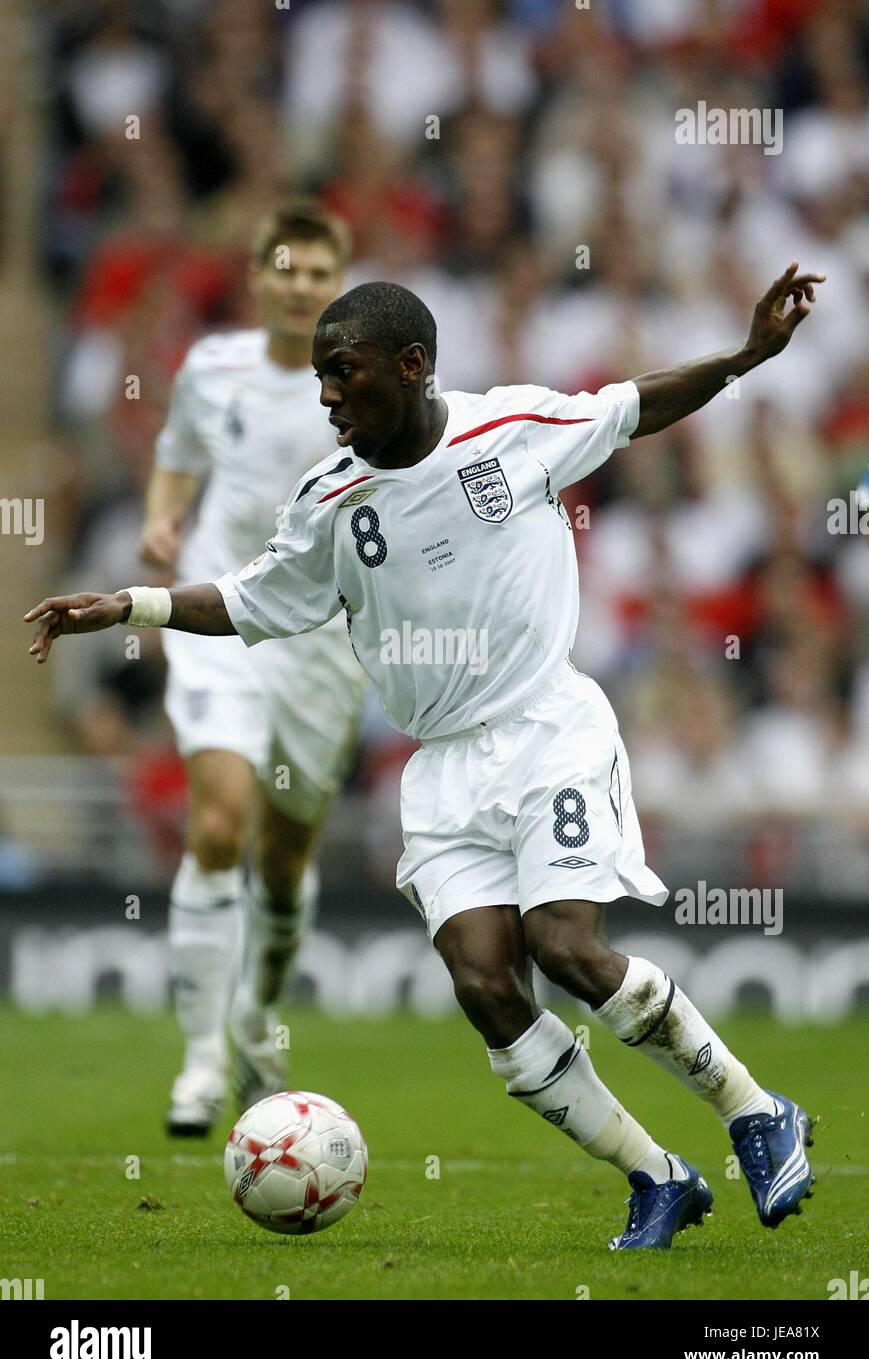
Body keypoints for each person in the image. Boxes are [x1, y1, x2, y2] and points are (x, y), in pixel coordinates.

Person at [27, 261, 824, 1248]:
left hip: (545, 730)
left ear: (409, 366)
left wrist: (746, 356)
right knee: (485, 987)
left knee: (564, 947)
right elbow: (247, 601)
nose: (326, 394)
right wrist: (129, 606)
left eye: (342, 372)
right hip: (442, 769)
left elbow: (632, 406)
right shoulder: (326, 499)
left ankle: (753, 1108)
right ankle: (655, 1175)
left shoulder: (509, 431)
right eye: (320, 375)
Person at [137, 201, 367, 1135]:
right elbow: (176, 456)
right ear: (258, 275)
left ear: (336, 284)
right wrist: (162, 514)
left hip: (318, 642)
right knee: (221, 822)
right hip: (217, 614)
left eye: (318, 273)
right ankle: (197, 1066)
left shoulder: (363, 385)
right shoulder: (211, 366)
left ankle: (257, 1023)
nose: (300, 286)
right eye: (286, 268)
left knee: (281, 863)